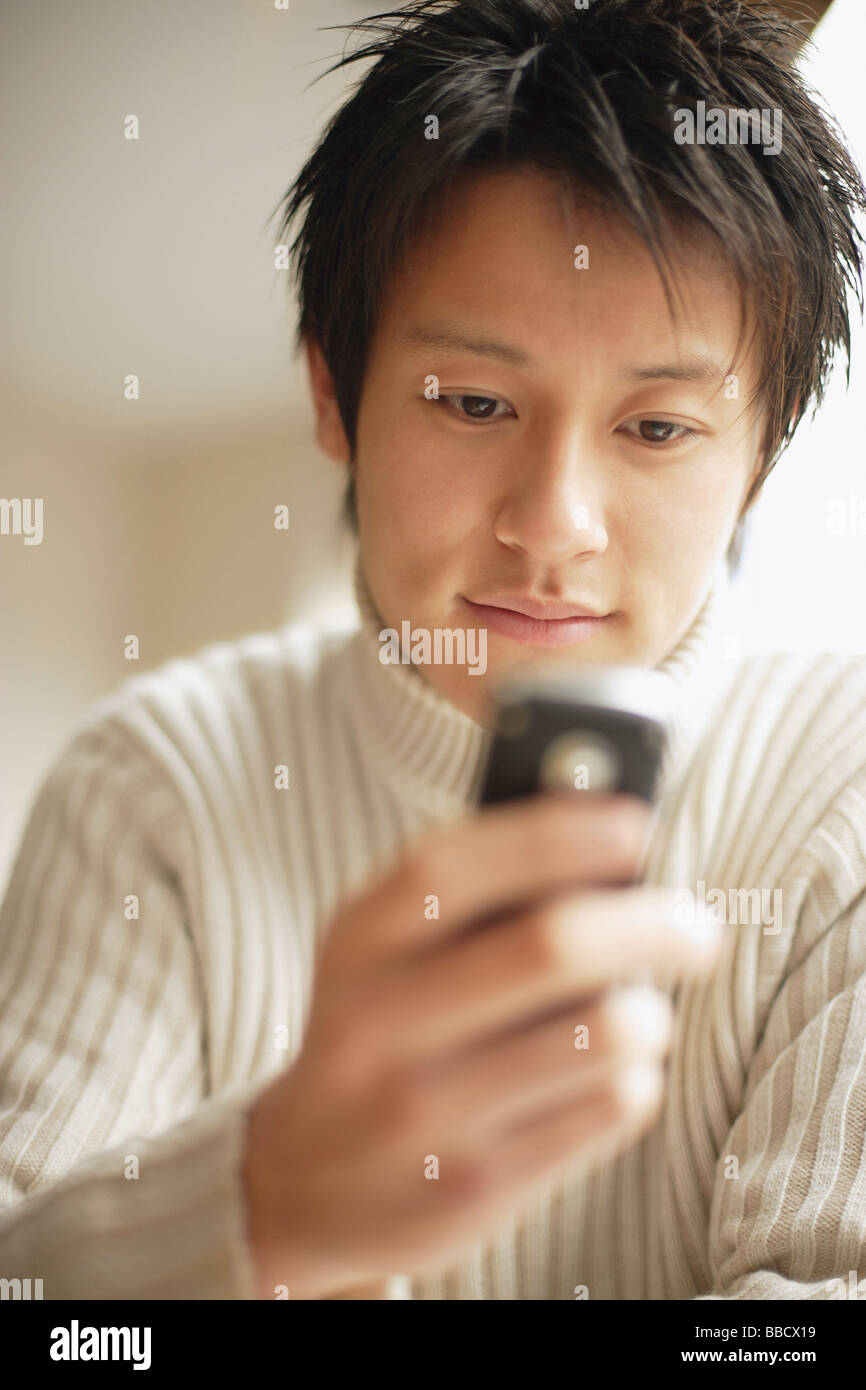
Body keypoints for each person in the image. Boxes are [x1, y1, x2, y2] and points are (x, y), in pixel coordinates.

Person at [1, 0, 865, 1301]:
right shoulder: (153, 785)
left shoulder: (841, 786)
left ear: (757, 464)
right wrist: (261, 1203)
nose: (550, 527)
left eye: (657, 429)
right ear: (330, 394)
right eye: (472, 402)